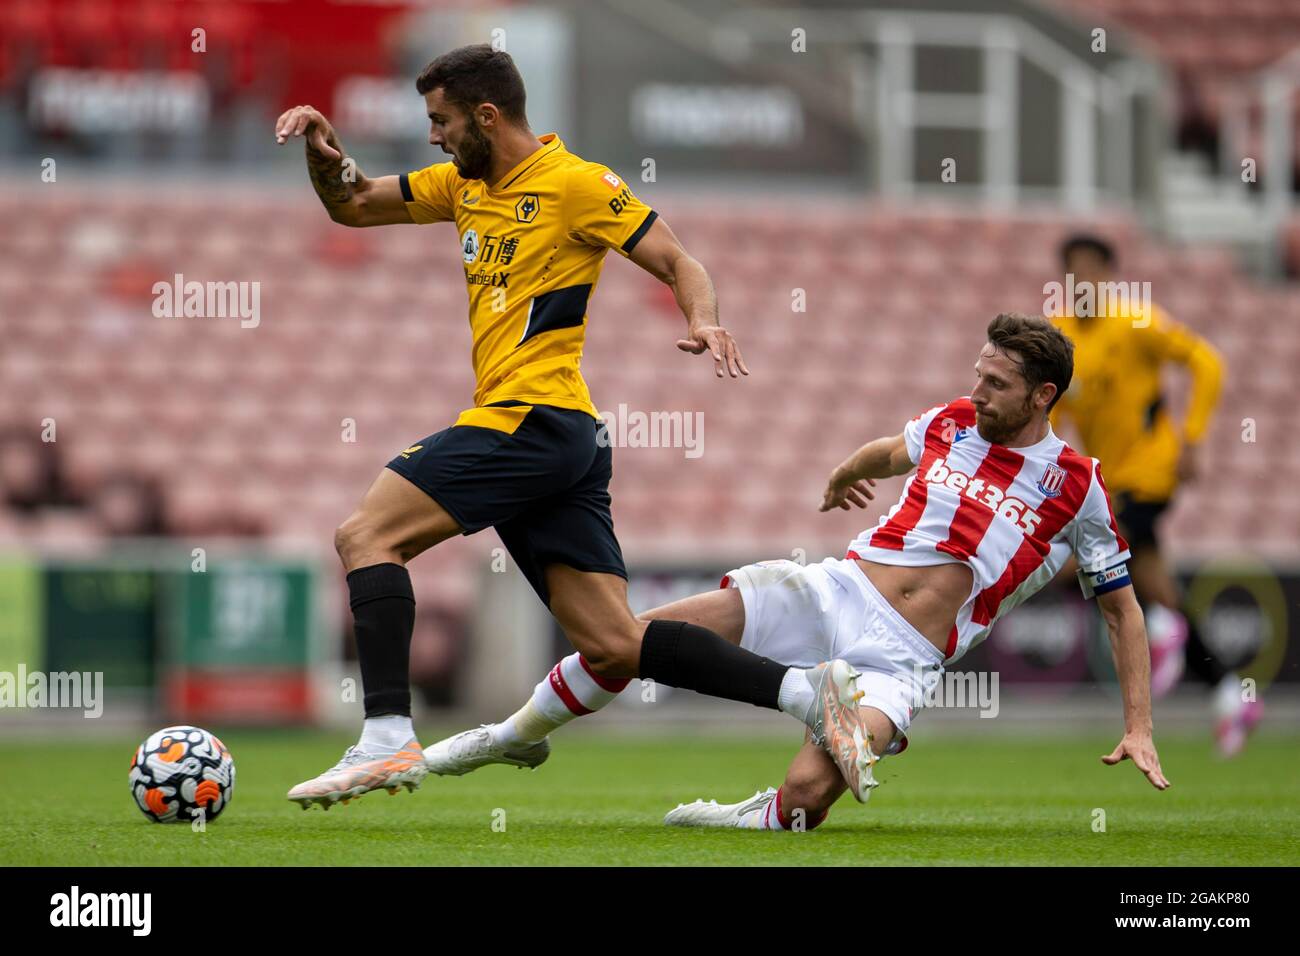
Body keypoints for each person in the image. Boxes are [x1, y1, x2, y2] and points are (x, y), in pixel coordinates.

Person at [274, 44, 875, 809]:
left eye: (441, 121)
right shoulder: (465, 185)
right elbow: (353, 204)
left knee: (366, 537)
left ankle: (388, 736)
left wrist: (706, 321)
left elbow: (679, 260)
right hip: (562, 441)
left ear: (486, 117)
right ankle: (808, 692)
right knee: (614, 644)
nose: (432, 138)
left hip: (531, 419)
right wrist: (327, 158)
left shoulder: (576, 185)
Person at [427, 314, 1171, 830]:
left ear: (1044, 396)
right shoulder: (951, 422)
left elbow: (1122, 609)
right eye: (977, 376)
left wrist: (1137, 725)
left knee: (809, 799)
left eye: (996, 385)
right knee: (625, 639)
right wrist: (840, 475)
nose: (977, 394)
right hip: (832, 592)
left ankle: (752, 816)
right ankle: (509, 735)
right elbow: (888, 451)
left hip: (904, 658)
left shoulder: (1079, 489)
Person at [1053, 234, 1258, 756]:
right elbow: (1047, 414)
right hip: (1110, 482)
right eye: (1073, 272)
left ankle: (1161, 631)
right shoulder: (1060, 340)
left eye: (1092, 271)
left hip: (1154, 470)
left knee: (1076, 564)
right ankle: (1231, 695)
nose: (1084, 283)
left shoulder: (1137, 321)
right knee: (1153, 585)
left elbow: (1207, 363)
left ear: (1108, 274)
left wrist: (1192, 438)